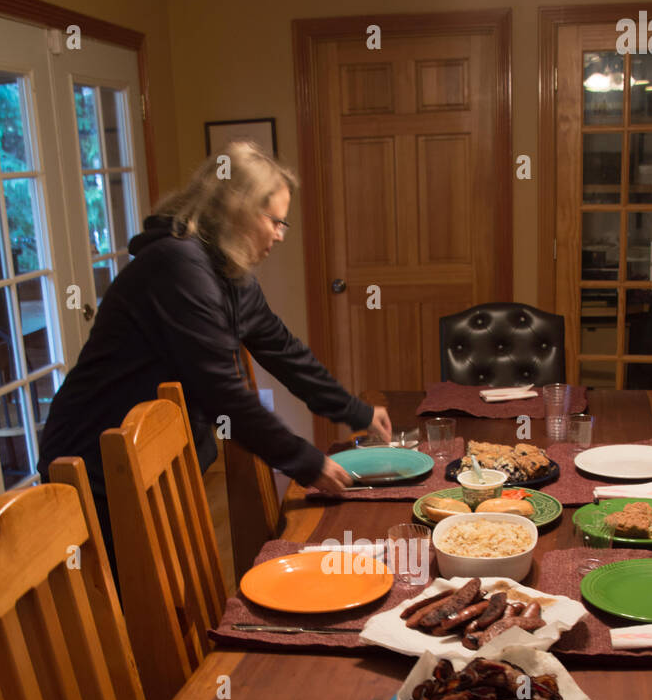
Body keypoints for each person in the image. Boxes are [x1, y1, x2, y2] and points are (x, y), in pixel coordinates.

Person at [38, 141, 391, 561]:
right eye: (275, 221)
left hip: (152, 458)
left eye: (285, 224)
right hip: (92, 460)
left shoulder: (229, 271)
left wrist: (356, 412)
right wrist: (307, 461)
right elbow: (223, 393)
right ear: (238, 211)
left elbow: (283, 350)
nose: (280, 234)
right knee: (123, 600)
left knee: (161, 590)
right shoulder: (179, 266)